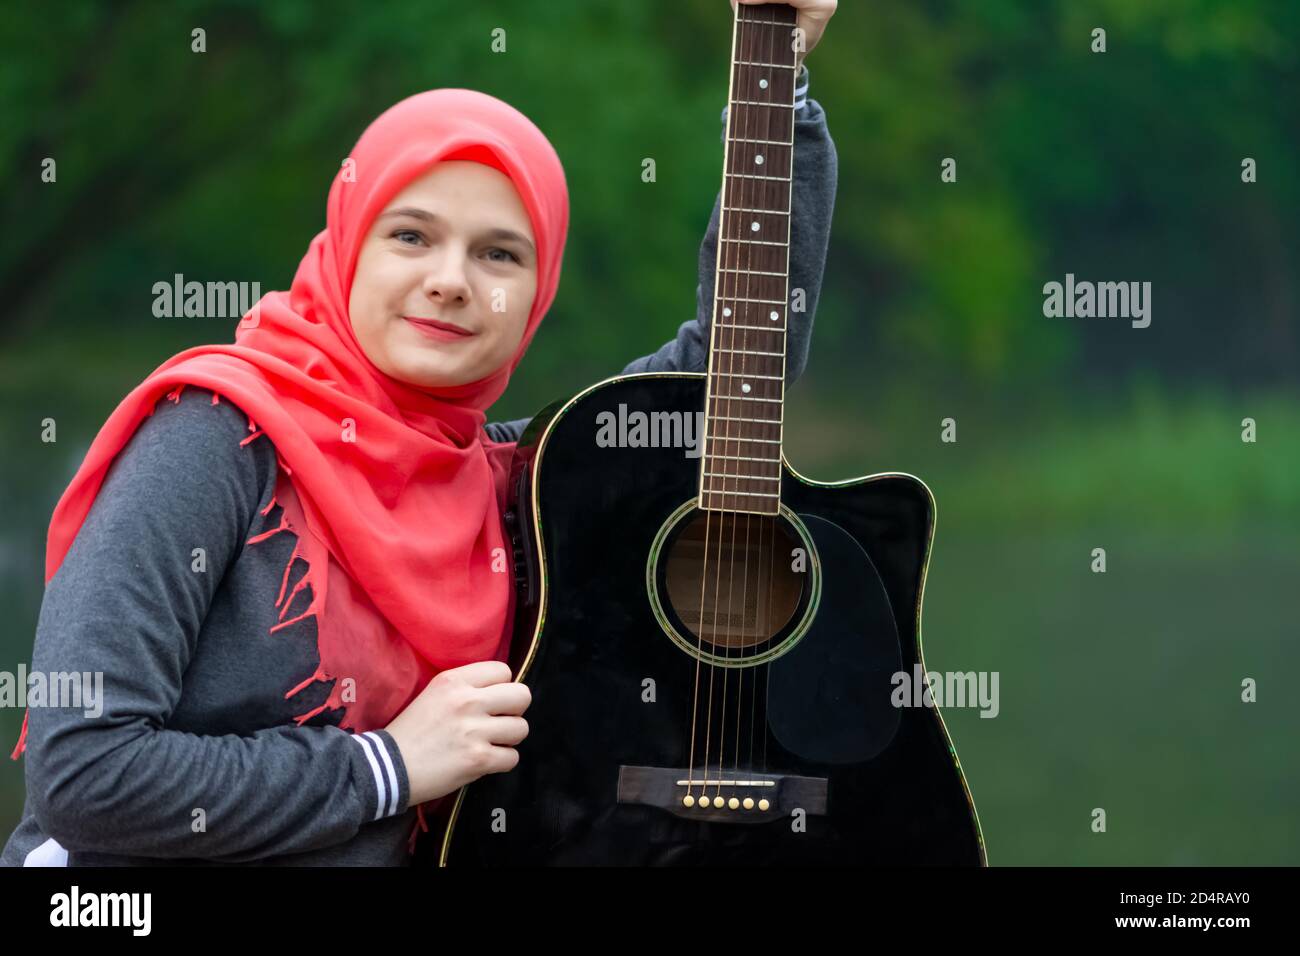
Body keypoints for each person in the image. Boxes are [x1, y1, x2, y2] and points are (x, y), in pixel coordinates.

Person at [2, 24, 838, 870]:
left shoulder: (521, 482)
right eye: (410, 235)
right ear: (348, 244)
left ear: (536, 293)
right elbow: (84, 772)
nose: (451, 278)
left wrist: (780, 83)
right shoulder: (217, 438)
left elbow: (732, 374)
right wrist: (387, 766)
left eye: (499, 254)